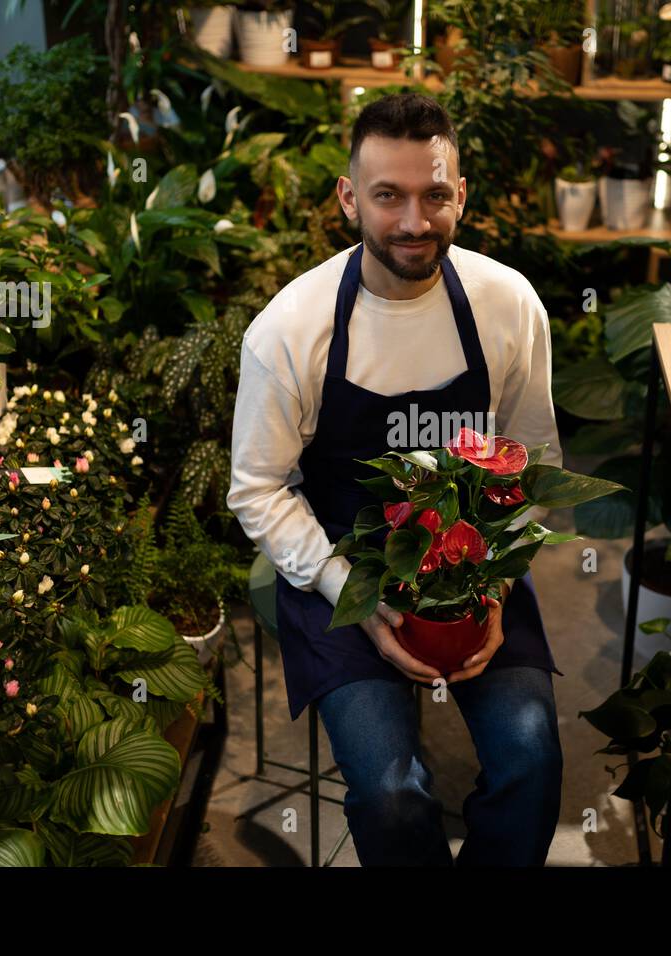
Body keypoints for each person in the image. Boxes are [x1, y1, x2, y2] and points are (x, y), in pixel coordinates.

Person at [227, 92, 565, 866]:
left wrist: (498, 589)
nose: (414, 221)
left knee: (533, 763)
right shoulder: (290, 329)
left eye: (435, 194)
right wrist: (355, 591)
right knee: (391, 793)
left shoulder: (507, 305)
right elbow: (257, 487)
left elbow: (533, 456)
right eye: (388, 196)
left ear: (461, 195)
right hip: (342, 566)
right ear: (349, 197)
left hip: (472, 564)